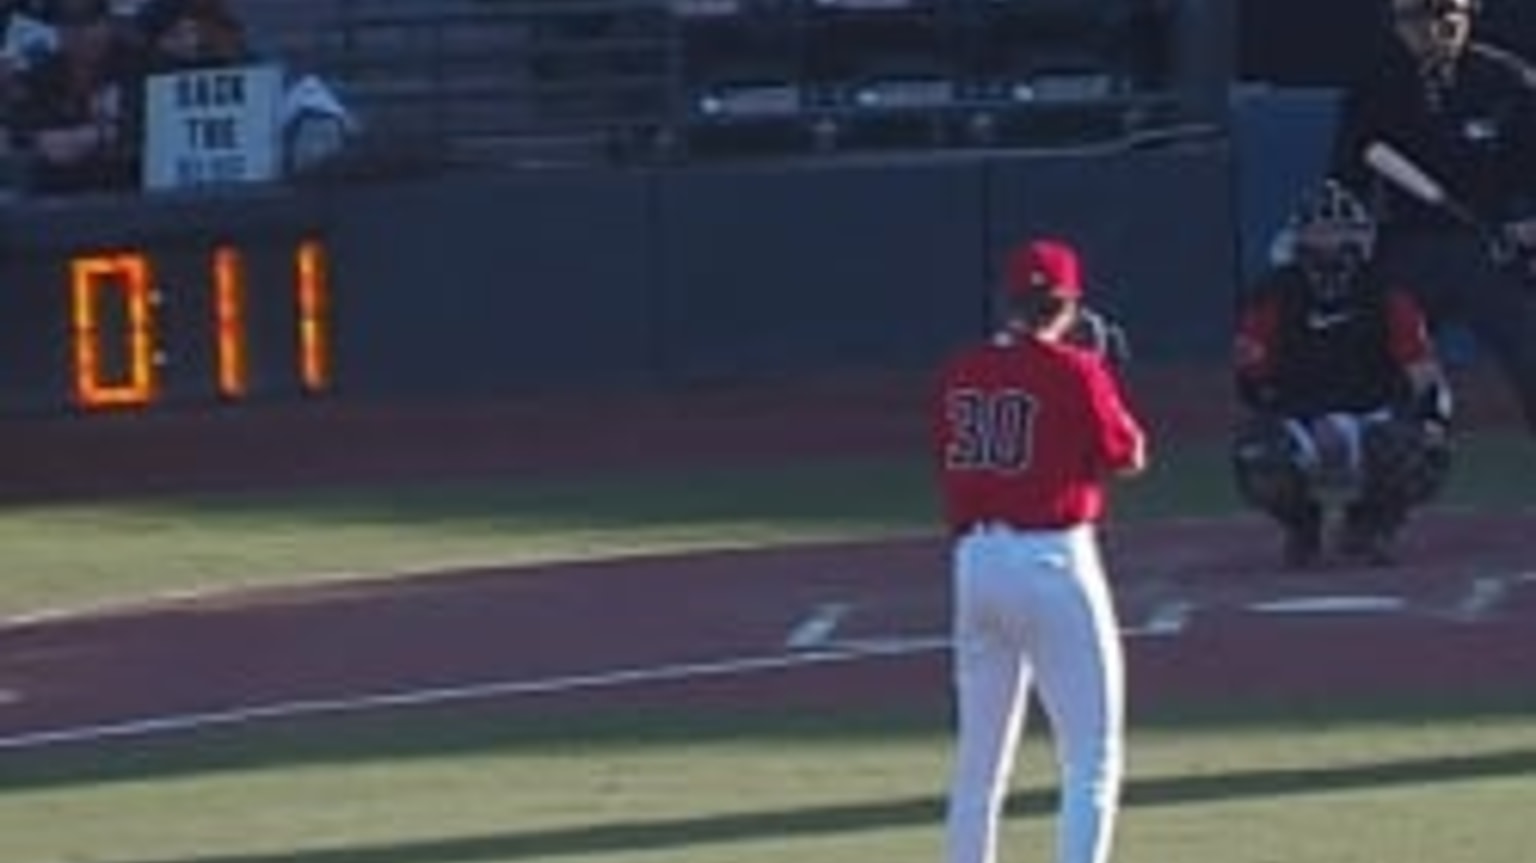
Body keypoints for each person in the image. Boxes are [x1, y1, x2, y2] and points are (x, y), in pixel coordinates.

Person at [931, 237, 1148, 863]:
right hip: (1052, 559)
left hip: (975, 562)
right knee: (1091, 756)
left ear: (1008, 301)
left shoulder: (961, 370)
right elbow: (1128, 455)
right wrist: (1100, 379)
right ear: (1069, 304)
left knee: (979, 764)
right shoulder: (1077, 370)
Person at [1329, 0, 1536, 434]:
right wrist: (1351, 232)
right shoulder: (1377, 84)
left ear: (1469, 15)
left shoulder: (1509, 81)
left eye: (1446, 12)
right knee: (1383, 365)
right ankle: (1391, 458)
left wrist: (1527, 220)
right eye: (1415, 17)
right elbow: (1349, 172)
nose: (1432, 26)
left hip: (1493, 249)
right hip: (1408, 246)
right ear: (1397, 24)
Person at [1233, 180, 1454, 568]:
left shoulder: (1386, 291)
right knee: (1259, 454)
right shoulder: (1272, 294)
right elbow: (1251, 380)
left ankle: (1370, 526)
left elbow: (1423, 373)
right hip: (1300, 415)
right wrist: (1295, 418)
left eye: (1341, 231)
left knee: (1412, 447)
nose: (1331, 243)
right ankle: (1304, 527)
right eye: (1321, 232)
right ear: (1300, 238)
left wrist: (1429, 420)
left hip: (1372, 413)